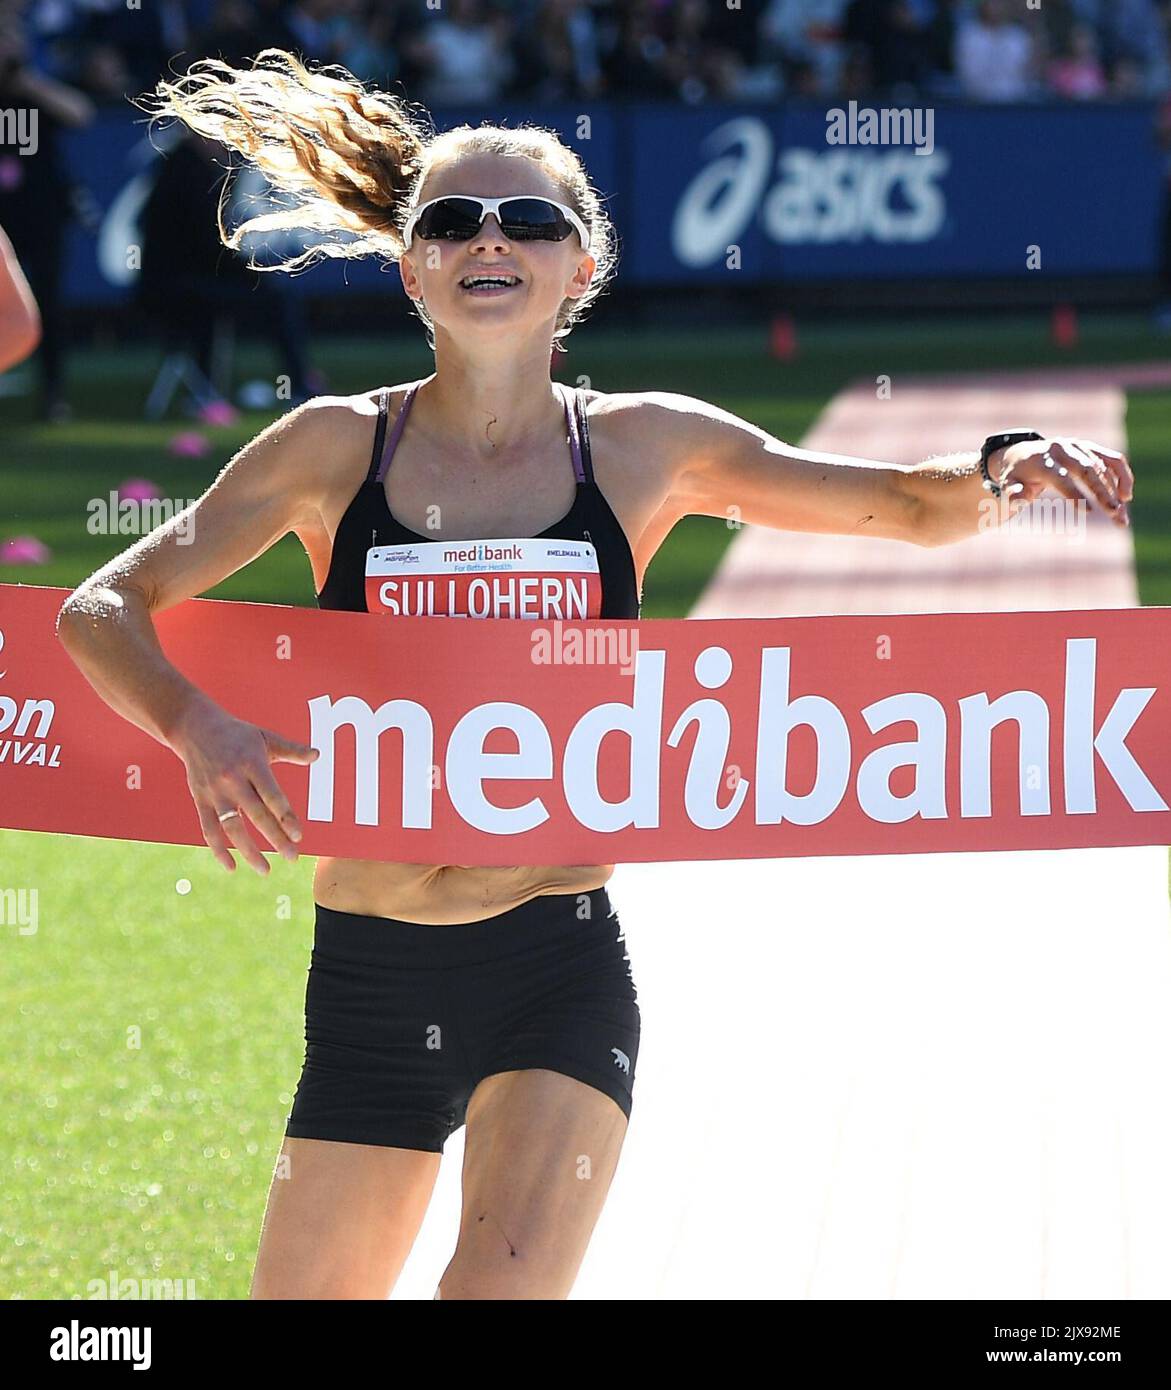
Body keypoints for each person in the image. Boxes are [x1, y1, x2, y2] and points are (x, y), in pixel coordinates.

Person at [55, 49, 1133, 1301]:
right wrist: (195, 723)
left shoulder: (642, 448)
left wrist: (1003, 466)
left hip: (556, 961)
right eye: (452, 221)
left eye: (529, 220)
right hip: (371, 973)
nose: (488, 240)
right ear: (413, 270)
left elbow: (896, 503)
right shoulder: (328, 449)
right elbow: (104, 605)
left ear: (580, 265)